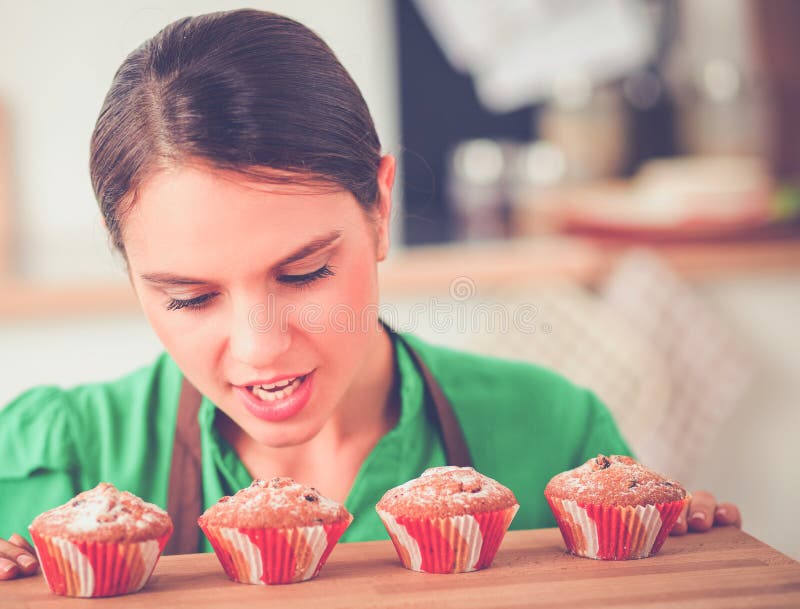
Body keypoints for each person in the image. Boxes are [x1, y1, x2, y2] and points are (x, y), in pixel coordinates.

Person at [0, 9, 740, 580]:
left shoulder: (556, 435)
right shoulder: (43, 466)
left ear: (380, 209)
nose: (261, 348)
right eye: (190, 298)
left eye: (303, 272)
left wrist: (682, 565)